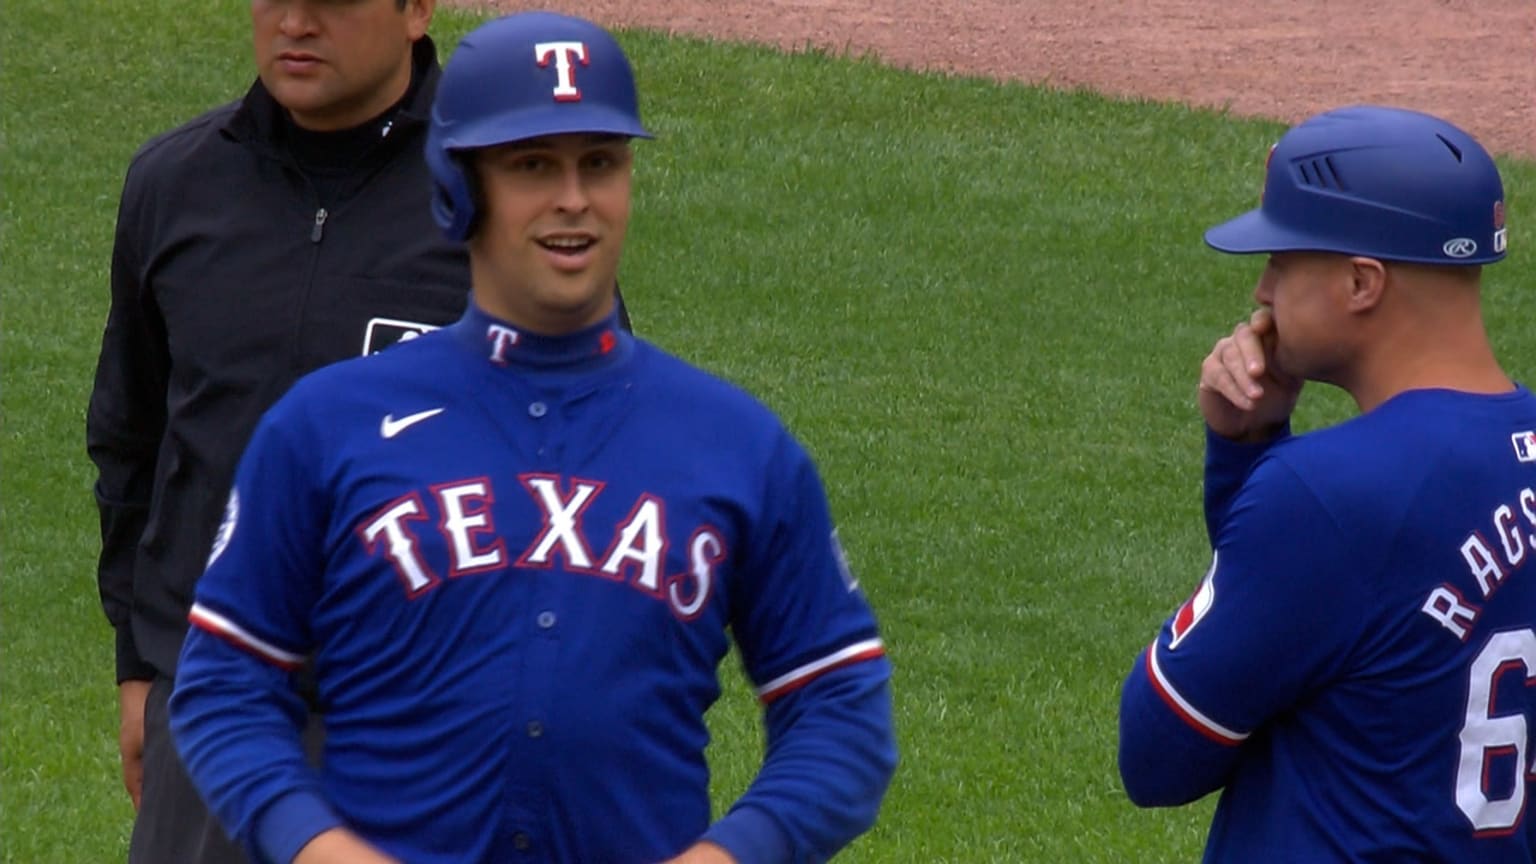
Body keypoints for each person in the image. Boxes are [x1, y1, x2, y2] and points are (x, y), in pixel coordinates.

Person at [168, 11, 897, 864]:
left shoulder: (736, 444)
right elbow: (224, 688)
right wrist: (317, 848)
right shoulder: (325, 427)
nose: (574, 200)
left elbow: (841, 707)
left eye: (601, 163)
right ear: (459, 187)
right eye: (532, 165)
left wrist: (732, 855)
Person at [1117, 104, 1535, 862]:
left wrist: (1257, 465)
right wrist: (1249, 452)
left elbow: (1157, 755)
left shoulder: (1329, 496)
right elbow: (1346, 630)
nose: (1262, 292)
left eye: (1283, 260)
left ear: (1360, 282)